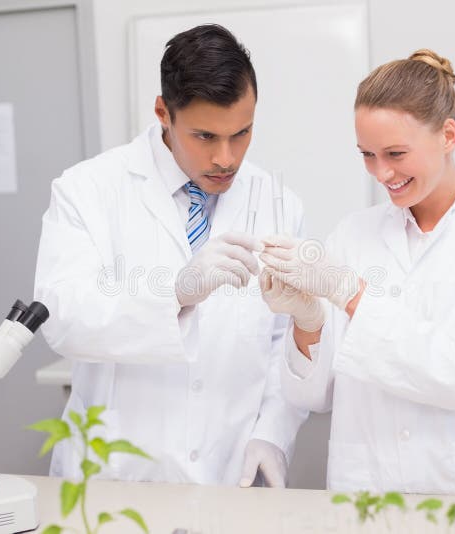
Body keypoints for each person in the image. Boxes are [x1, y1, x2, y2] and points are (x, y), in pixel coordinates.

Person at [259, 49, 455, 496]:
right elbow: (312, 398)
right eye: (367, 155)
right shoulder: (351, 234)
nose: (382, 172)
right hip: (367, 489)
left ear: (448, 135)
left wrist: (349, 292)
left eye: (396, 153)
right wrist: (307, 324)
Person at [34, 24, 307, 487]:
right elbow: (62, 320)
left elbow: (285, 342)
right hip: (117, 478)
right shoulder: (88, 190)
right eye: (205, 136)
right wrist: (174, 295)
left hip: (230, 473)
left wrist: (273, 434)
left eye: (242, 133)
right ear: (164, 112)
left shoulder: (278, 202)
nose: (227, 158)